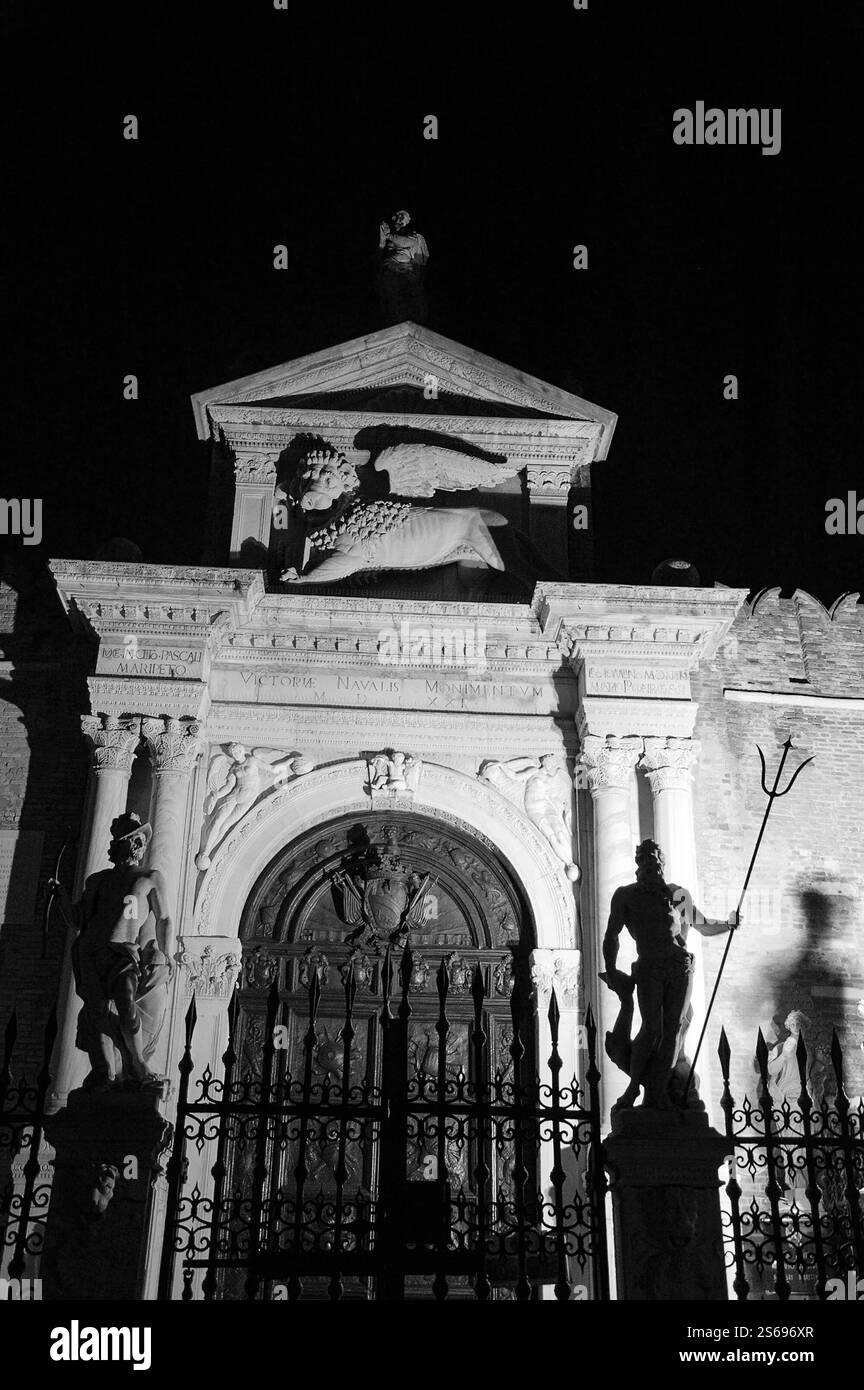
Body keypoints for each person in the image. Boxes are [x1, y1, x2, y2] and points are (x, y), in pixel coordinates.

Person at [601, 839, 740, 1110]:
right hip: (650, 966)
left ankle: (656, 1093)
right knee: (651, 1028)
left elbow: (703, 925)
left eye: (655, 858)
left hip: (681, 966)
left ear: (661, 863)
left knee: (674, 1030)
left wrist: (728, 924)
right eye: (645, 858)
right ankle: (632, 1091)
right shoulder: (626, 895)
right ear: (638, 864)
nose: (651, 863)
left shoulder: (678, 895)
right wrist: (612, 968)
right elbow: (611, 935)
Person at [49, 812, 174, 1091]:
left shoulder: (150, 878)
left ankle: (138, 1063)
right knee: (96, 1013)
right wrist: (61, 898)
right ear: (120, 844)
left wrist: (168, 952)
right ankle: (104, 1072)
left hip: (124, 954)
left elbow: (164, 918)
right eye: (134, 839)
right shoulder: (97, 881)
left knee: (128, 1009)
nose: (139, 845)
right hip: (90, 952)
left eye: (140, 840)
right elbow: (78, 920)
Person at [378, 209, 429, 325]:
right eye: (397, 215)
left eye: (402, 215)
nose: (398, 218)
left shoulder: (415, 236)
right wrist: (382, 241)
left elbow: (408, 242)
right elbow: (381, 253)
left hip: (407, 269)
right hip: (390, 268)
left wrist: (388, 235)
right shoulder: (392, 236)